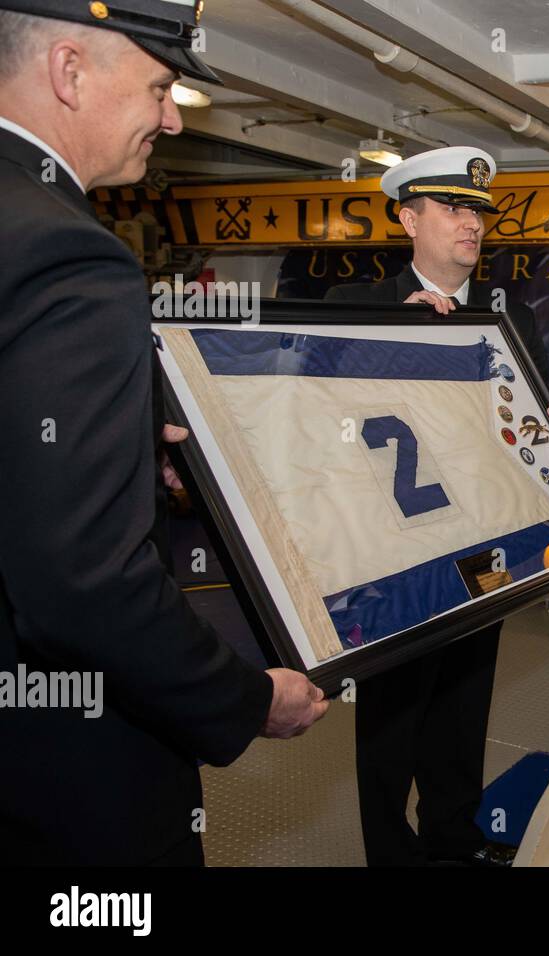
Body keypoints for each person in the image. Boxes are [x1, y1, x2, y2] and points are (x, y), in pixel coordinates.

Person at [0, 0, 327, 867]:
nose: (173, 117)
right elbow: (82, 584)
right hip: (57, 763)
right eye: (160, 85)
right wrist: (247, 700)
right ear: (69, 72)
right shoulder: (68, 253)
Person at [326, 146, 548, 866]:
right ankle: (392, 856)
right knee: (390, 721)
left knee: (464, 705)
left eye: (479, 211)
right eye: (453, 208)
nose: (471, 223)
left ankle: (455, 842)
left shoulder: (510, 320)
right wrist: (402, 336)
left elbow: (529, 431)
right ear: (407, 218)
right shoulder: (353, 310)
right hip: (391, 556)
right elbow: (317, 419)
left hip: (480, 548)